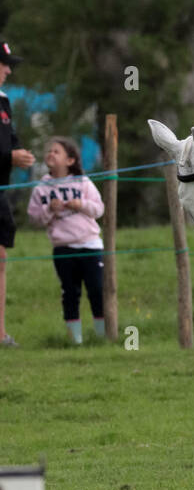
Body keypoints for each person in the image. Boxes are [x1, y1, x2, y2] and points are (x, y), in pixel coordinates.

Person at [27, 136, 105, 345]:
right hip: (63, 249)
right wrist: (48, 210)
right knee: (70, 293)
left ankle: (102, 336)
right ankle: (75, 340)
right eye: (49, 151)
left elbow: (99, 209)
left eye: (56, 151)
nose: (50, 154)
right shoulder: (41, 188)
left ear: (70, 160)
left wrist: (80, 205)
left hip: (90, 245)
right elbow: (33, 218)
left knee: (97, 290)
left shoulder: (83, 182)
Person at [0, 38, 36, 348]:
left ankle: (0, 334)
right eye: (4, 64)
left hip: (1, 190)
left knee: (1, 256)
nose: (8, 71)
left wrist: (19, 152)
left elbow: (9, 140)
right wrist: (9, 157)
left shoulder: (3, 101)